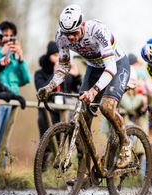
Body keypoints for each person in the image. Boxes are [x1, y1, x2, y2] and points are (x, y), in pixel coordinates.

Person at [37, 4, 131, 168]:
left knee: (107, 108)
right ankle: (85, 170)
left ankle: (125, 142)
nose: (71, 38)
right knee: (80, 117)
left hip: (116, 65)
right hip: (94, 67)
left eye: (74, 33)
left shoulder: (97, 31)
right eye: (67, 34)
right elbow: (64, 67)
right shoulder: (61, 36)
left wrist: (94, 91)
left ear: (82, 24)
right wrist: (49, 86)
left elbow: (110, 68)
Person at [0, 21, 30, 167]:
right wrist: (0, 54)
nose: (8, 38)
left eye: (11, 35)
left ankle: (0, 173)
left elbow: (26, 79)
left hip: (13, 100)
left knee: (5, 139)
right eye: (5, 35)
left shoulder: (16, 58)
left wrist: (21, 59)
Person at [34, 41, 81, 138]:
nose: (58, 58)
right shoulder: (39, 73)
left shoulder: (67, 74)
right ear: (49, 56)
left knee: (65, 142)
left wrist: (77, 77)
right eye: (55, 55)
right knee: (48, 144)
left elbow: (79, 91)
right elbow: (41, 91)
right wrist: (55, 75)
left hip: (66, 113)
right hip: (47, 113)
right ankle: (47, 153)